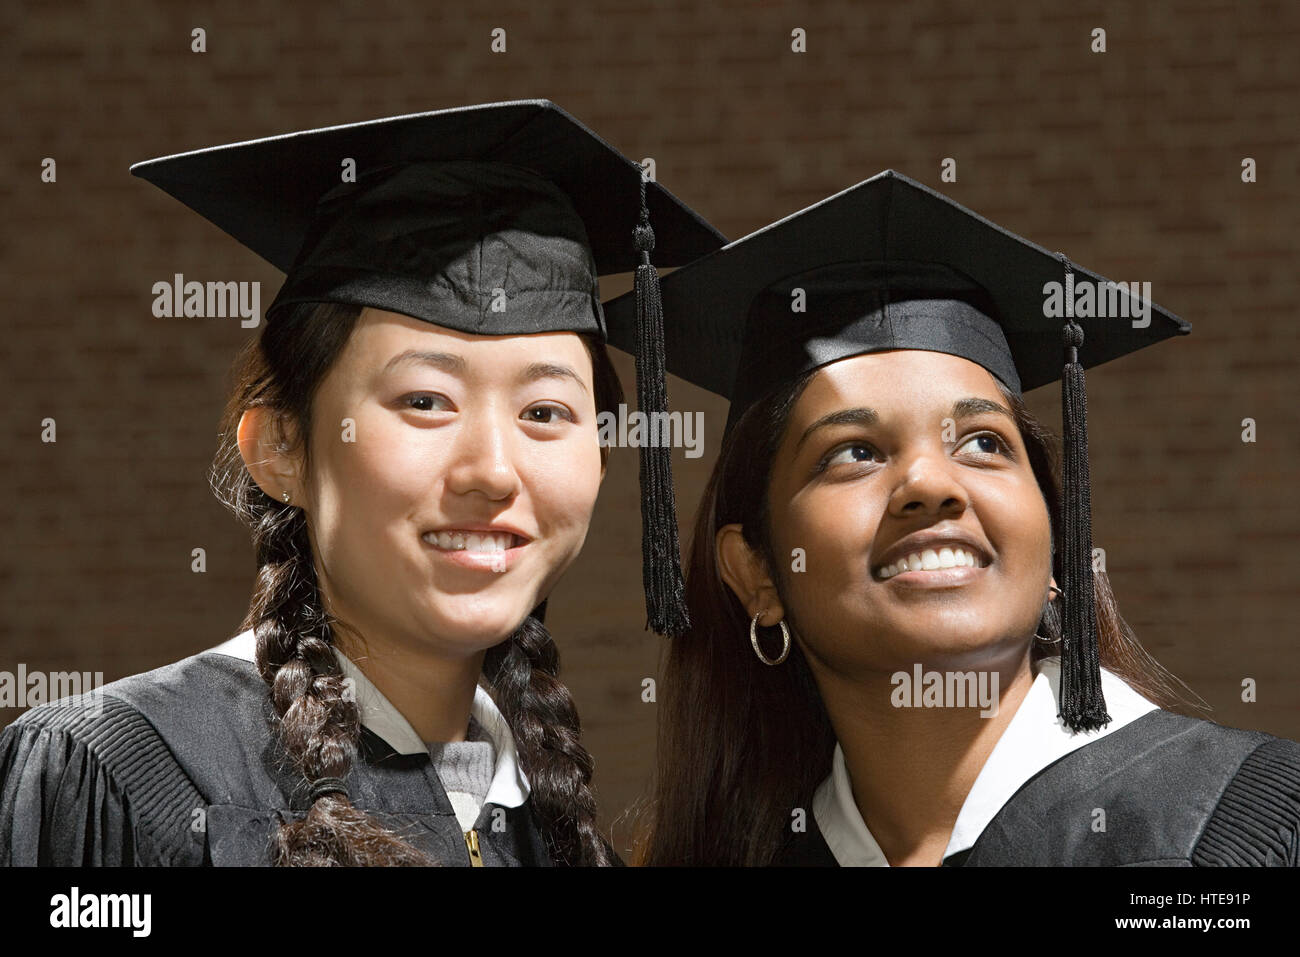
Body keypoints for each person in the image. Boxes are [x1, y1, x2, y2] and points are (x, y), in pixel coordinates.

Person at [0, 100, 724, 866]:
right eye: (424, 401)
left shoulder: (564, 843)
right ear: (280, 446)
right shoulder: (114, 774)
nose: (492, 470)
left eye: (545, 411)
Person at [603, 170, 1300, 866]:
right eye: (853, 452)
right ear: (757, 571)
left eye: (984, 442)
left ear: (1056, 547)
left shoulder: (1236, 832)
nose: (931, 484)